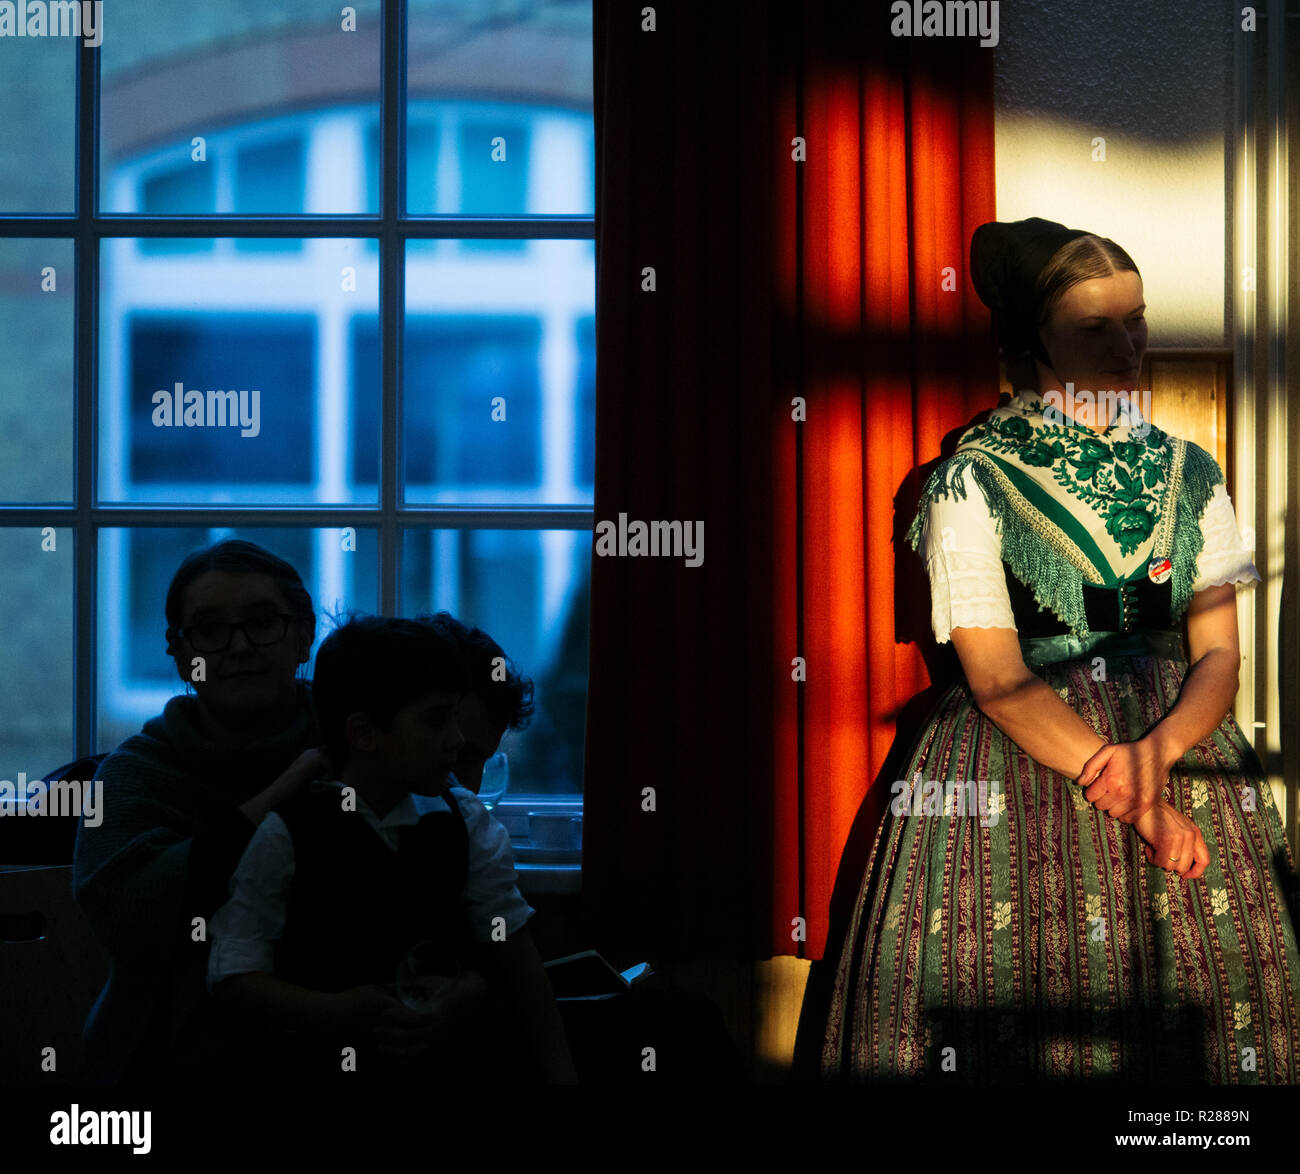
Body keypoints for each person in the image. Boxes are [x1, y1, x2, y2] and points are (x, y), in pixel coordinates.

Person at [820, 217, 1300, 1082]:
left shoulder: (1192, 471)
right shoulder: (972, 476)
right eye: (1095, 328)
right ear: (1031, 337)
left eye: (1137, 319)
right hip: (1022, 760)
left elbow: (1220, 655)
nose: (1128, 345)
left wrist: (1161, 752)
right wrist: (1143, 801)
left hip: (1182, 747)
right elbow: (998, 679)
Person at [205, 614, 578, 1083]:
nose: (456, 744)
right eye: (439, 722)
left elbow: (515, 962)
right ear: (365, 734)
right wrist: (336, 1011)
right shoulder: (292, 827)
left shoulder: (461, 823)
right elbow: (233, 974)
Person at [72, 539, 327, 1082]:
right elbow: (126, 914)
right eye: (209, 630)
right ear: (182, 655)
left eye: (262, 622)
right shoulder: (135, 774)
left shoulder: (365, 747)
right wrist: (281, 794)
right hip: (162, 1061)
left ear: (304, 635)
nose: (237, 647)